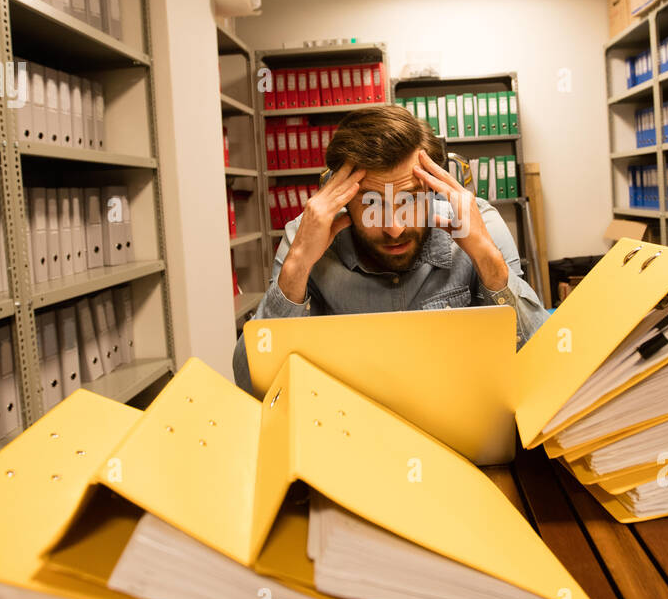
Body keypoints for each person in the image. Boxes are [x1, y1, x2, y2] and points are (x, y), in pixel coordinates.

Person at [232, 103, 549, 392]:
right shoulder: (304, 239)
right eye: (372, 203)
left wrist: (487, 260)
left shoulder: (481, 228)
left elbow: (541, 363)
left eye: (411, 199)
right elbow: (251, 384)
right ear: (339, 198)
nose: (395, 228)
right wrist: (297, 266)